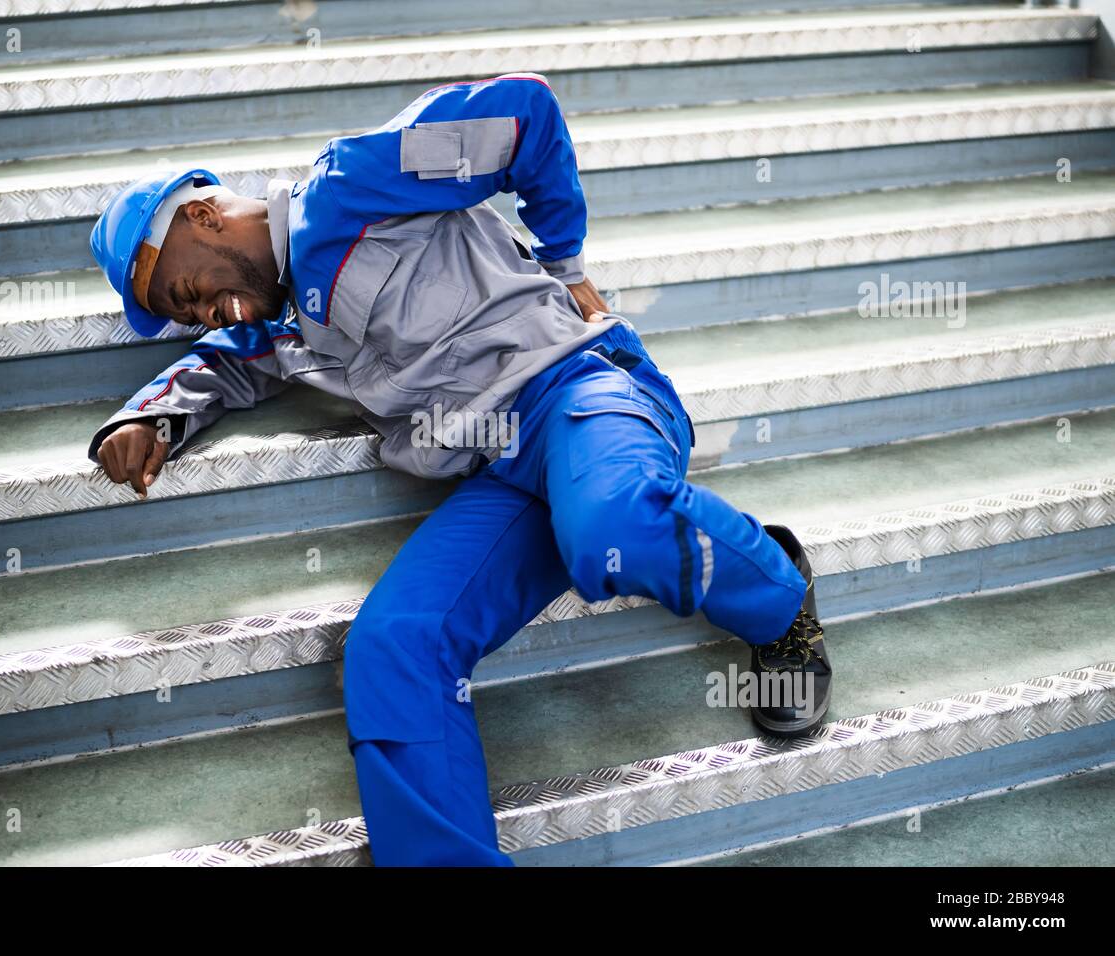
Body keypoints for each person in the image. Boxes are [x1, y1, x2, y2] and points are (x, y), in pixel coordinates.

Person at [87, 72, 832, 866]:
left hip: (580, 391)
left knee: (612, 522)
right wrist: (148, 415)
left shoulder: (351, 184)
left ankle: (777, 593)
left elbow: (525, 118)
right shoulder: (277, 323)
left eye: (186, 289)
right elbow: (222, 363)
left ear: (202, 216)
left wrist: (565, 257)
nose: (202, 312)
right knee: (391, 644)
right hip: (506, 473)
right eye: (183, 313)